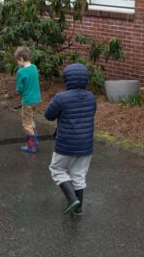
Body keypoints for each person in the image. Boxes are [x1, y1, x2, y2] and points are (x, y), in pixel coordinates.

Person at [43, 63, 96, 217]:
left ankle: (72, 199)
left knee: (57, 169)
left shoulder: (61, 97)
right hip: (86, 145)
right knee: (78, 174)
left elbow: (48, 115)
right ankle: (78, 210)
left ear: (67, 79)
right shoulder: (91, 97)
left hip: (66, 143)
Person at [14, 46, 41, 153]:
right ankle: (35, 139)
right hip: (36, 99)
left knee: (26, 123)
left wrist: (18, 91)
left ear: (21, 59)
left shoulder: (21, 72)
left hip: (27, 100)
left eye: (17, 61)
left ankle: (32, 145)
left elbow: (19, 89)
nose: (17, 63)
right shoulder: (34, 67)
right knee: (31, 119)